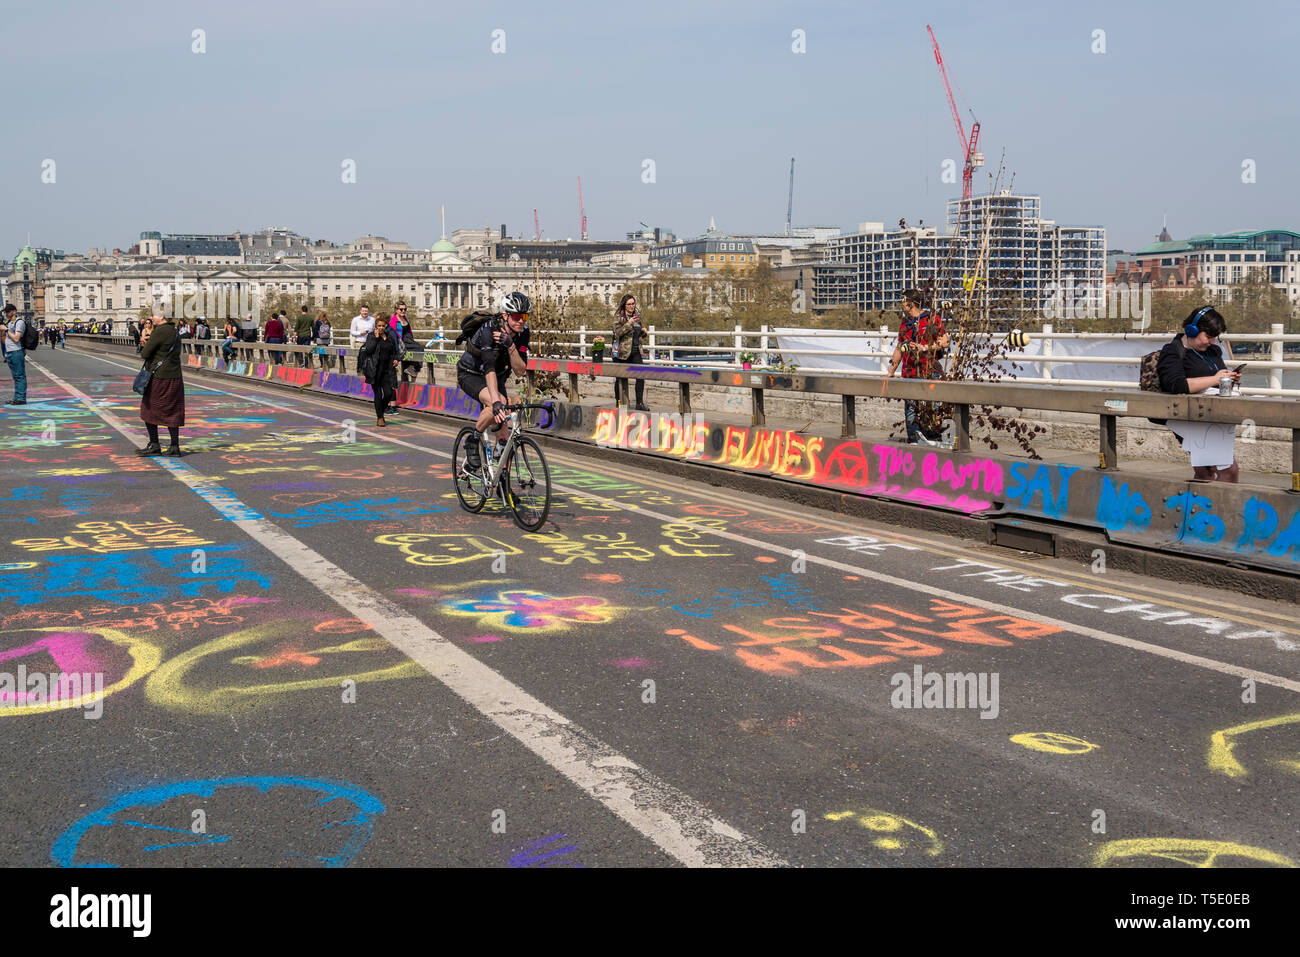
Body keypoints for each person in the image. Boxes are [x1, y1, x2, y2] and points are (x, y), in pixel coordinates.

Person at [1157, 305, 1242, 483]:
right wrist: (1215, 379)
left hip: (1214, 417)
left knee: (1206, 471)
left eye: (1214, 338)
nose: (1212, 342)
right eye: (1208, 337)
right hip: (1189, 416)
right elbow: (1176, 384)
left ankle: (1201, 506)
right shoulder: (1173, 351)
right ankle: (1217, 508)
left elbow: (1217, 378)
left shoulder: (1213, 351)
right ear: (1192, 330)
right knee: (1228, 469)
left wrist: (1229, 379)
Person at [456, 292, 529, 474]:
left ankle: (503, 483)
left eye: (524, 317)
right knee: (499, 404)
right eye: (517, 317)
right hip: (471, 374)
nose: (521, 321)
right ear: (505, 316)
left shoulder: (523, 333)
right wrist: (496, 402)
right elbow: (488, 367)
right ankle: (474, 438)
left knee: (504, 436)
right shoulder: (489, 330)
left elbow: (520, 370)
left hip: (498, 376)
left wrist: (511, 345)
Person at [887, 289, 951, 445]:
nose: (901, 305)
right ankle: (913, 439)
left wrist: (924, 347)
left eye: (902, 301)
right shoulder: (905, 324)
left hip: (929, 370)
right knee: (910, 407)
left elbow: (945, 341)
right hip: (909, 372)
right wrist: (891, 372)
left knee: (935, 406)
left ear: (910, 303)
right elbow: (898, 348)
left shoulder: (931, 319)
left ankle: (933, 436)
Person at [136, 309, 186, 457]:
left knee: (149, 409)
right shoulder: (175, 331)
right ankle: (174, 446)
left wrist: (145, 343)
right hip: (175, 376)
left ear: (162, 317)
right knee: (173, 410)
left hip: (159, 377)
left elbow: (145, 354)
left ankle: (154, 444)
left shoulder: (160, 331)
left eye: (154, 315)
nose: (151, 318)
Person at [358, 317, 400, 427]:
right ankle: (380, 417)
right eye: (379, 326)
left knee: (389, 393)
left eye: (383, 325)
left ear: (386, 326)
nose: (381, 328)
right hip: (375, 370)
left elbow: (394, 351)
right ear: (376, 326)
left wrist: (396, 359)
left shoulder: (389, 337)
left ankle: (380, 410)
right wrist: (376, 339)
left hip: (387, 370)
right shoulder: (371, 336)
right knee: (378, 394)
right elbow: (368, 350)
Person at [612, 293, 649, 410]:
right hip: (622, 353)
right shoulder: (618, 317)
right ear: (624, 305)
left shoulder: (637, 317)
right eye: (629, 304)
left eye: (633, 304)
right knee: (620, 378)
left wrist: (643, 332)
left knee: (641, 375)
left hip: (636, 351)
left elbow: (637, 335)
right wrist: (629, 323)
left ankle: (639, 403)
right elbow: (617, 333)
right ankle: (619, 403)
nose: (631, 306)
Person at [2, 304, 27, 406]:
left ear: (14, 311)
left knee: (20, 376)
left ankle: (21, 398)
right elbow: (4, 338)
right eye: (5, 312)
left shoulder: (19, 322)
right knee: (15, 376)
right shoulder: (9, 322)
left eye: (8, 312)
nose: (6, 314)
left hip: (17, 351)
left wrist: (7, 330)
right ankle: (17, 398)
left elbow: (16, 338)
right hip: (10, 352)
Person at [390, 302, 420, 384]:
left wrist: (412, 340)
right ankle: (410, 370)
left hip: (409, 340)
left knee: (420, 349)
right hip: (401, 342)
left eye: (405, 309)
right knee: (418, 349)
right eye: (401, 309)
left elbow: (409, 331)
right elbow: (392, 335)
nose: (403, 311)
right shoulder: (394, 320)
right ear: (396, 310)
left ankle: (412, 369)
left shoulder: (405, 318)